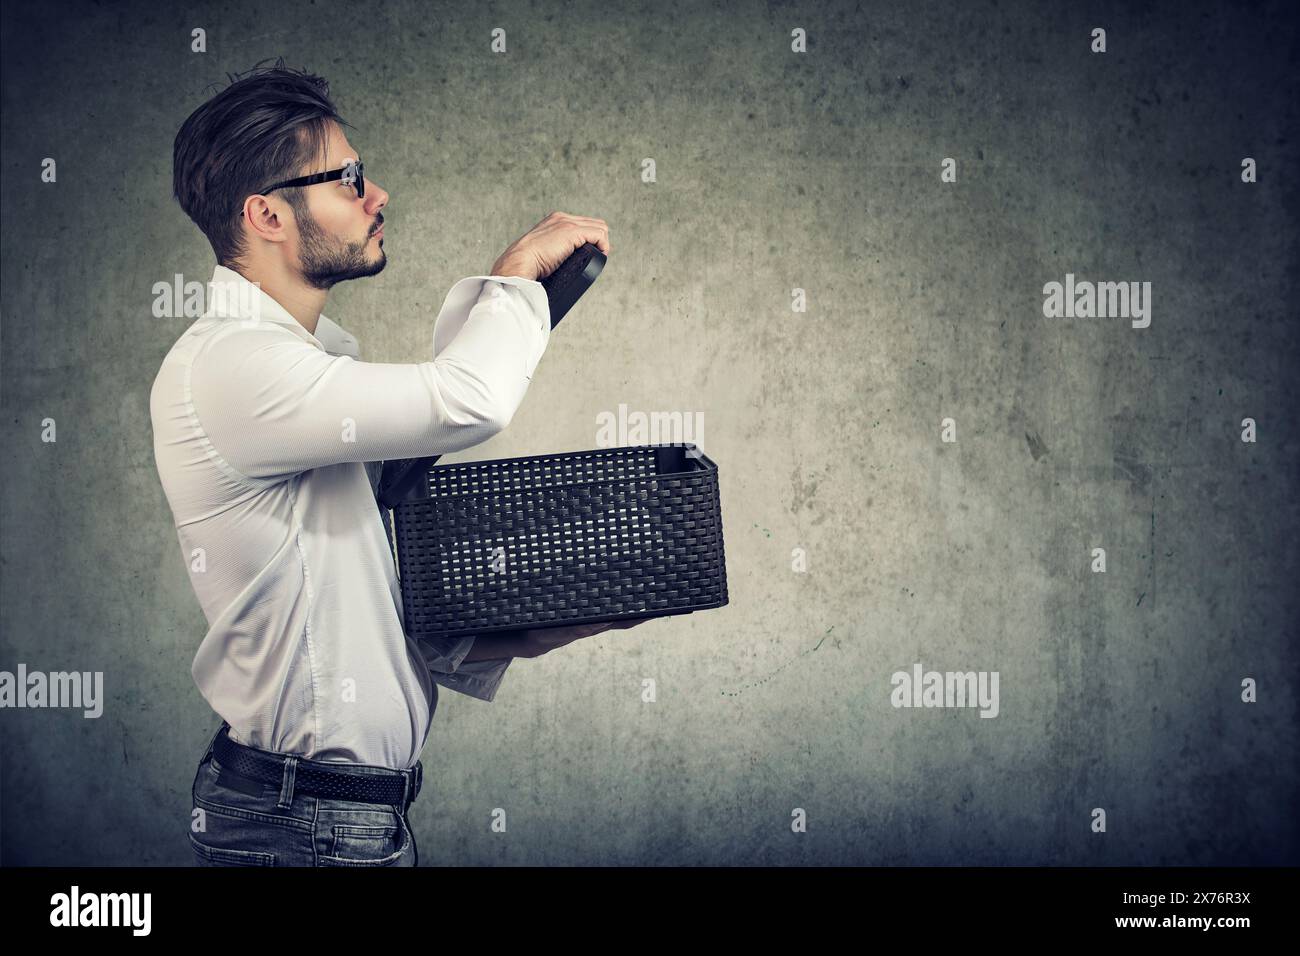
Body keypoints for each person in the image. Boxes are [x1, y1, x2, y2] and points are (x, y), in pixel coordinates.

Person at [151, 62, 642, 866]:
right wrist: (513, 275)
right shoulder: (232, 366)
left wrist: (541, 623)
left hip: (332, 822)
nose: (376, 194)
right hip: (299, 826)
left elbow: (367, 609)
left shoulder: (305, 376)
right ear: (267, 214)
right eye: (347, 179)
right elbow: (466, 400)